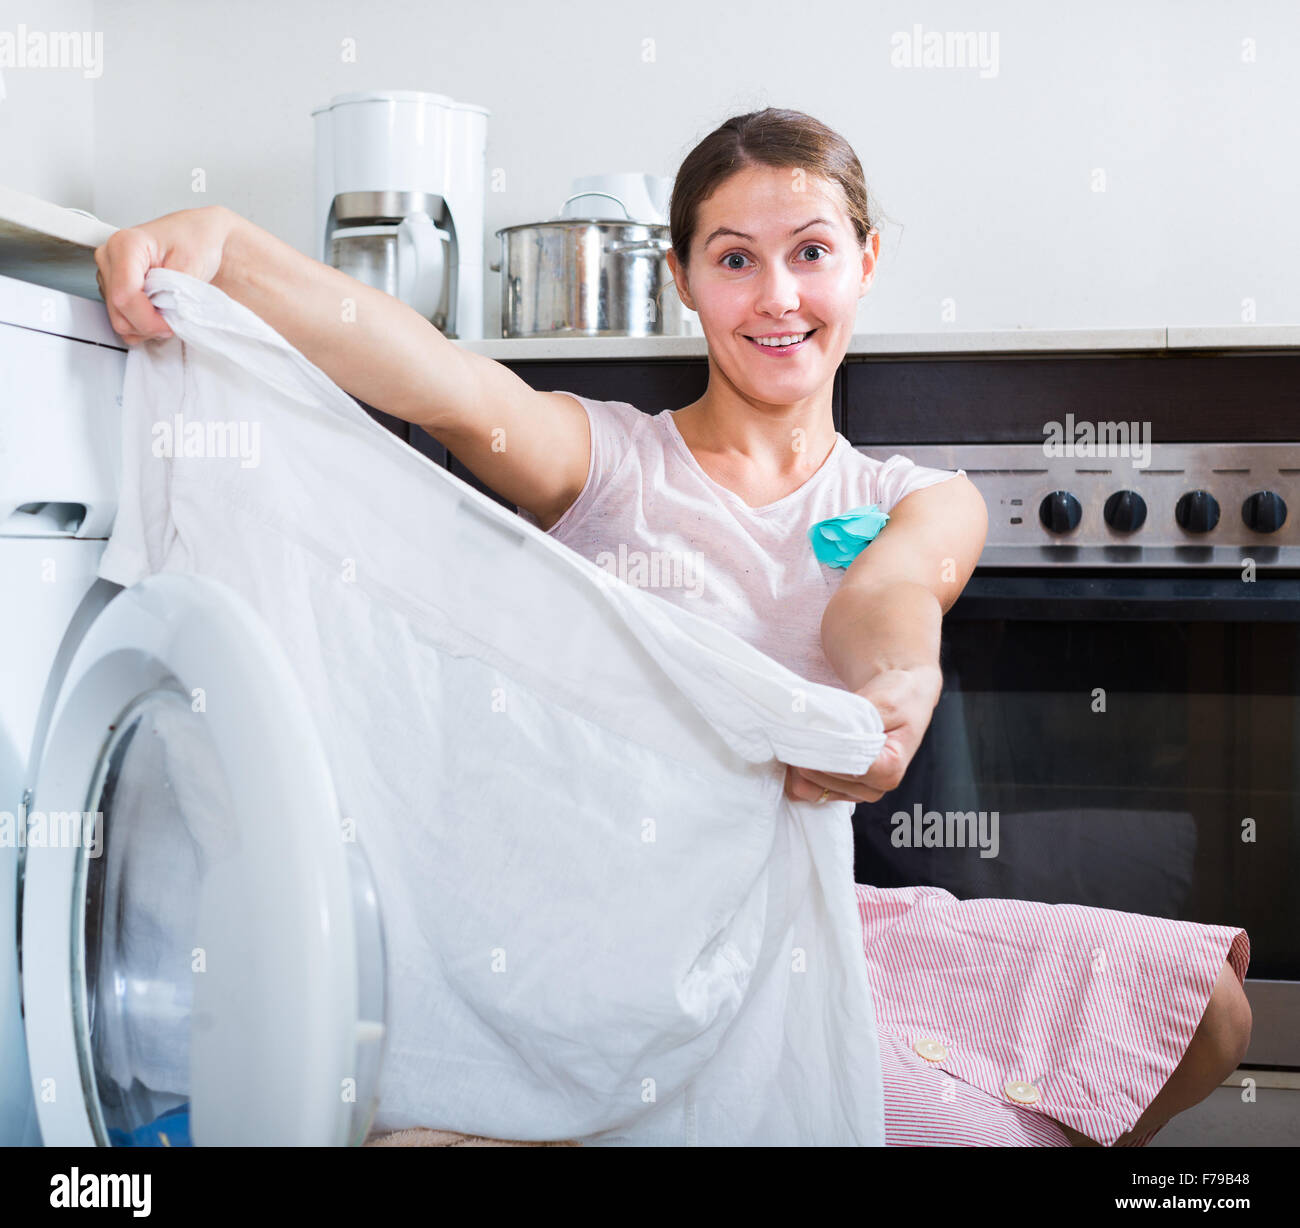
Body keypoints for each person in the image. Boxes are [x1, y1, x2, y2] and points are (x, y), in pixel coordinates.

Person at [94, 106, 1250, 1149]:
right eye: (734, 260)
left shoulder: (913, 494)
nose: (778, 296)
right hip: (608, 950)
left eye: (810, 252)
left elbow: (884, 596)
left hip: (813, 923)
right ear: (686, 281)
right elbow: (447, 383)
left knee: (1203, 1010)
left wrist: (890, 688)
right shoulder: (607, 465)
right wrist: (230, 248)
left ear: (866, 264)